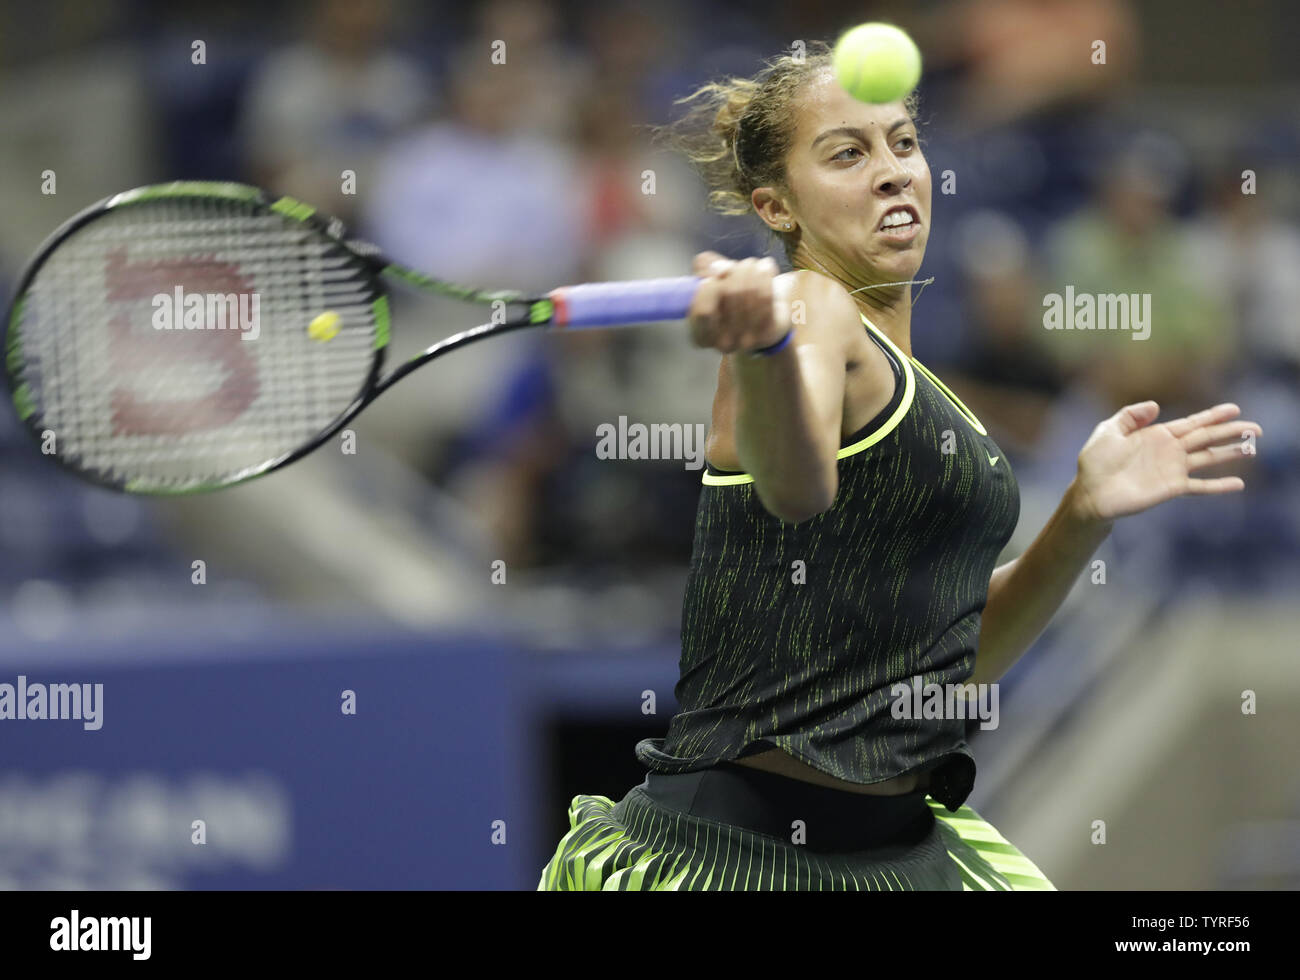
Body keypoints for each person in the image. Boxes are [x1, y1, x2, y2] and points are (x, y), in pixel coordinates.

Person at [538, 43, 1260, 891]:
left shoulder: (925, 392)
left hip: (898, 856)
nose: (892, 172)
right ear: (778, 206)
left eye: (902, 143)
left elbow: (948, 672)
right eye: (847, 153)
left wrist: (1081, 514)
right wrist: (764, 354)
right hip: (734, 863)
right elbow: (797, 486)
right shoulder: (811, 311)